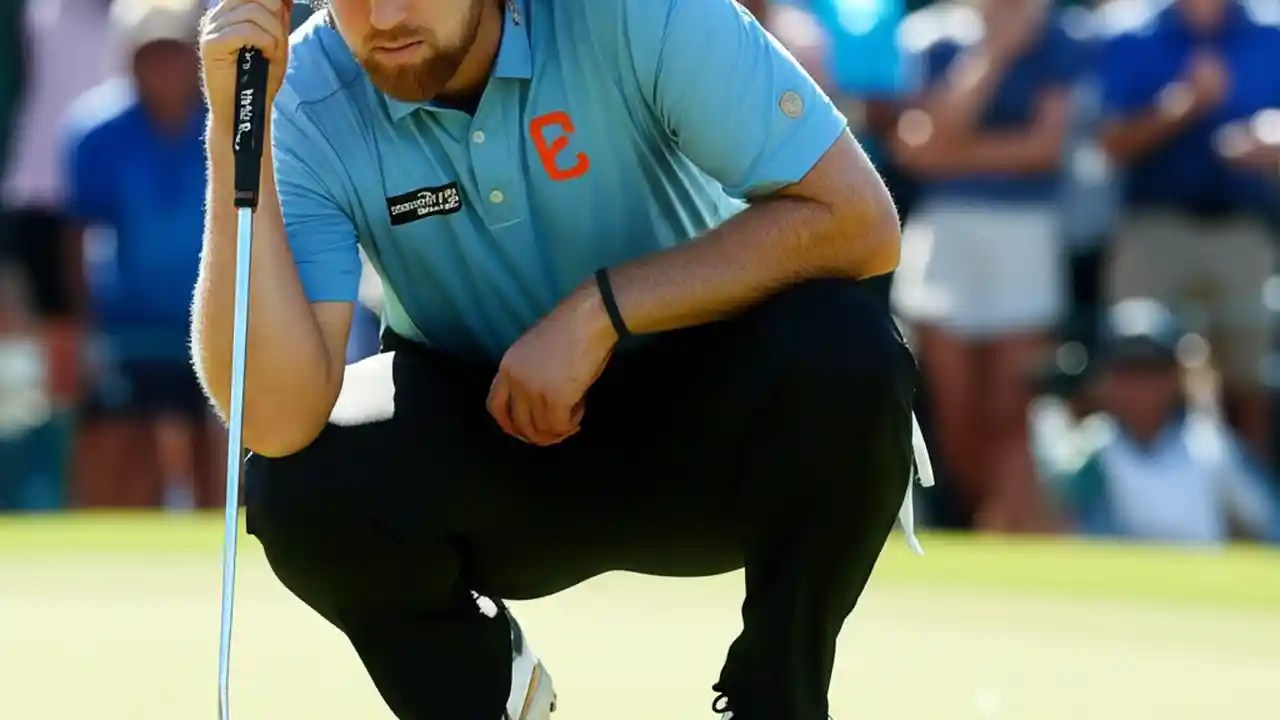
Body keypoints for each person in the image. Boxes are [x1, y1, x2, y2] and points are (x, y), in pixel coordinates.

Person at [195, 1, 923, 719]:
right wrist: (237, 133)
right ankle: (485, 697)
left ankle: (775, 698)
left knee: (848, 350)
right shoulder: (301, 94)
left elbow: (858, 221)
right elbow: (275, 418)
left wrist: (601, 311)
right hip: (497, 444)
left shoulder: (639, 10)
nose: (383, 16)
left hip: (716, 440)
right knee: (301, 485)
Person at [890, 0, 1085, 532]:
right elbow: (920, 145)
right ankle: (985, 522)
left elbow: (1044, 149)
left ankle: (1008, 527)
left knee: (1009, 411)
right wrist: (993, 54)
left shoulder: (1058, 37)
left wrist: (951, 154)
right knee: (954, 418)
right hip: (948, 237)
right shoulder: (930, 36)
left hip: (1025, 237)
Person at [1096, 0, 1280, 463]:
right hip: (1154, 228)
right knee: (1135, 370)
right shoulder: (1131, 34)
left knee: (1247, 386)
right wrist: (1184, 106)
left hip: (1244, 230)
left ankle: (1250, 518)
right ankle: (1130, 513)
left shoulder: (1271, 33)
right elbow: (1110, 144)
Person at [63, 0, 210, 511]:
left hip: (214, 328)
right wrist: (87, 336)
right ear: (129, 58)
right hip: (129, 331)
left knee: (220, 463)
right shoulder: (94, 133)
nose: (165, 66)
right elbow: (77, 240)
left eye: (175, 50)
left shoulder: (234, 127)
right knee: (122, 470)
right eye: (152, 53)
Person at [1063, 298, 1279, 545]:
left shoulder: (1210, 448)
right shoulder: (1087, 455)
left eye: (1152, 369)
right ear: (1105, 379)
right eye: (1127, 370)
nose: (1140, 386)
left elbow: (1268, 523)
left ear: (1174, 377)